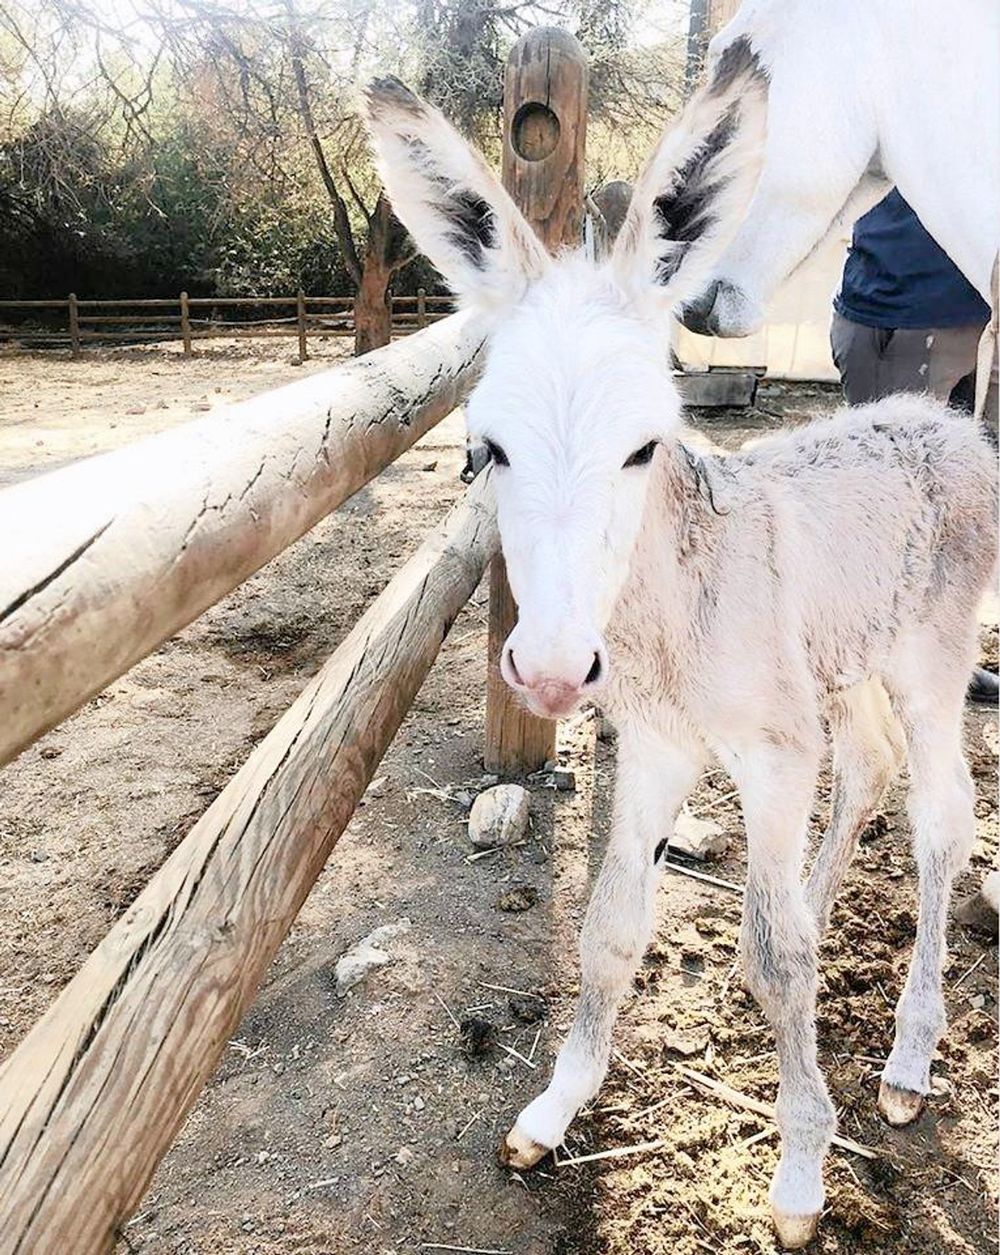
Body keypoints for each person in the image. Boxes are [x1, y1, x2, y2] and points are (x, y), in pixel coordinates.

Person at [831, 188, 998, 703]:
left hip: (973, 317)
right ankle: (874, 669)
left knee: (959, 510)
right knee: (890, 514)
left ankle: (941, 652)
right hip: (903, 312)